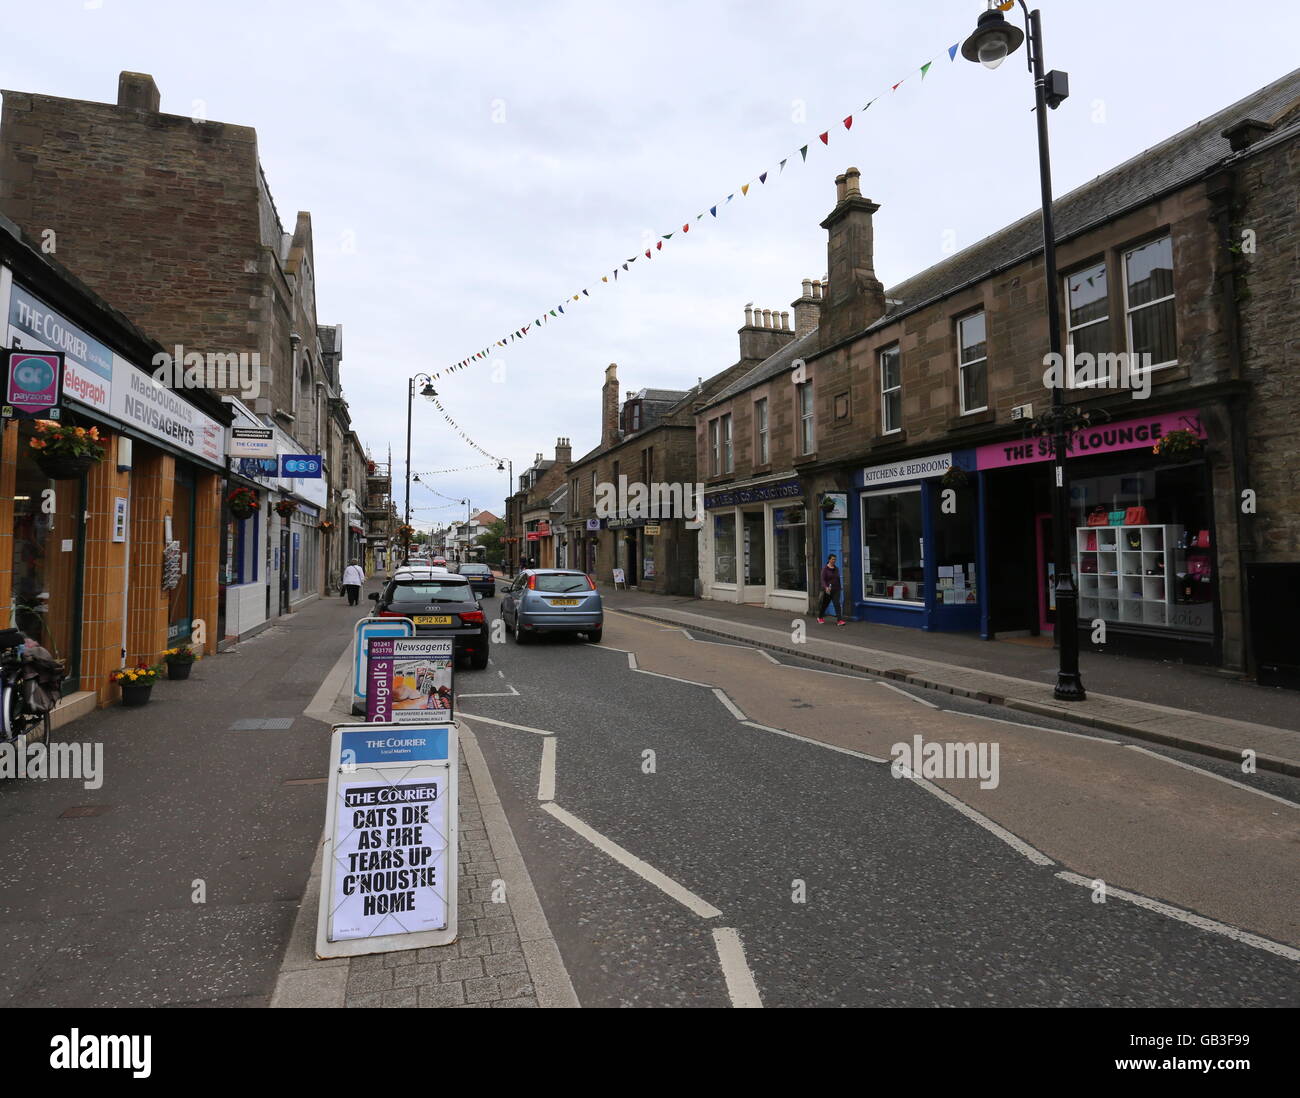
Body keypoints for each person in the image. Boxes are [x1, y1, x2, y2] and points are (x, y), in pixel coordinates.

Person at [817, 553, 846, 626]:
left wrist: (840, 587)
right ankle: (820, 617)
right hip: (828, 590)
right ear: (829, 560)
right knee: (825, 604)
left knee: (837, 604)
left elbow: (838, 579)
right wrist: (826, 587)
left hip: (836, 589)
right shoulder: (825, 569)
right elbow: (823, 580)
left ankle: (839, 620)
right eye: (832, 559)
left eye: (835, 559)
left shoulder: (836, 569)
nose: (834, 561)